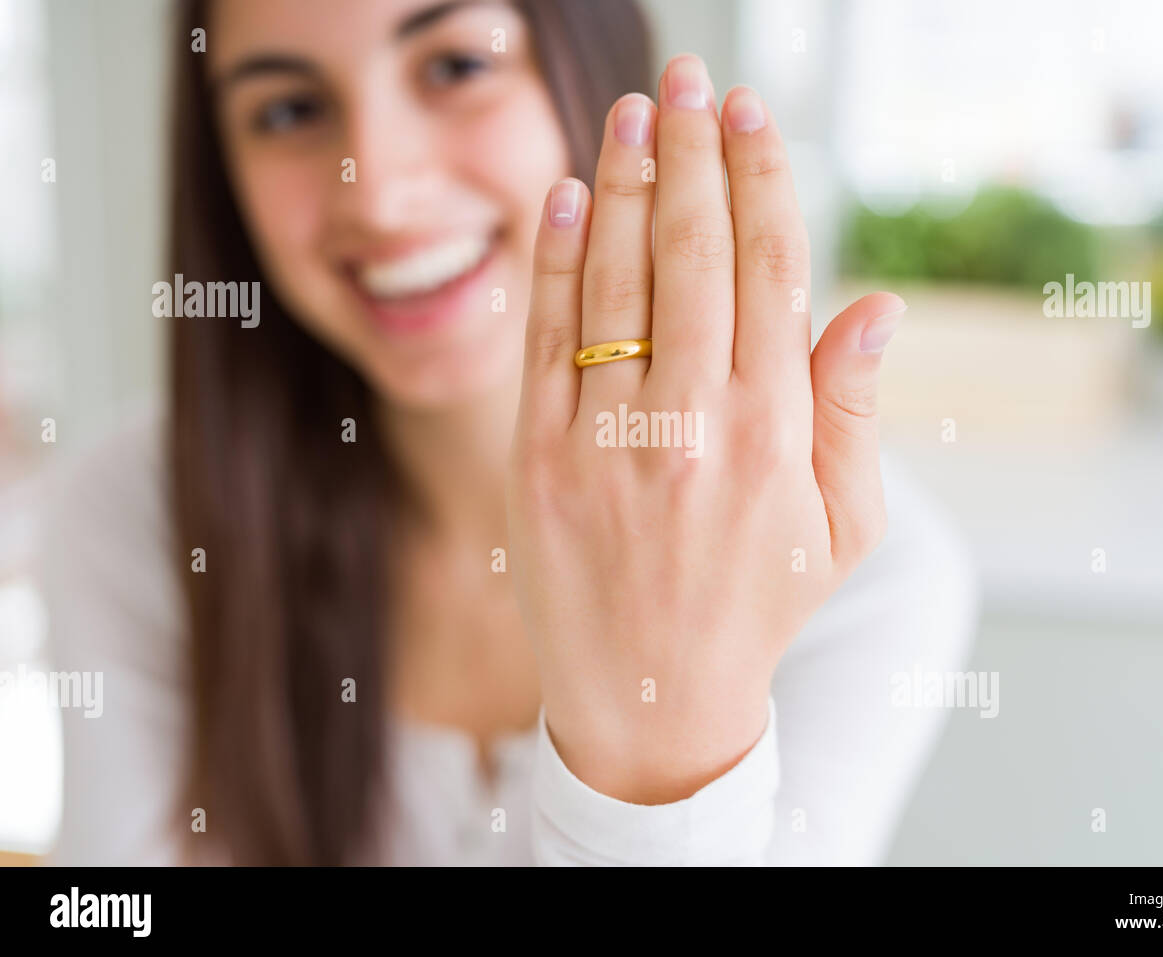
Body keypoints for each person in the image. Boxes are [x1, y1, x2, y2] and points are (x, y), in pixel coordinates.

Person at [40, 0, 977, 865]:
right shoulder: (134, 520)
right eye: (287, 112)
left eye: (453, 66)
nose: (379, 191)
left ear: (598, 66)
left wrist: (657, 756)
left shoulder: (866, 573)